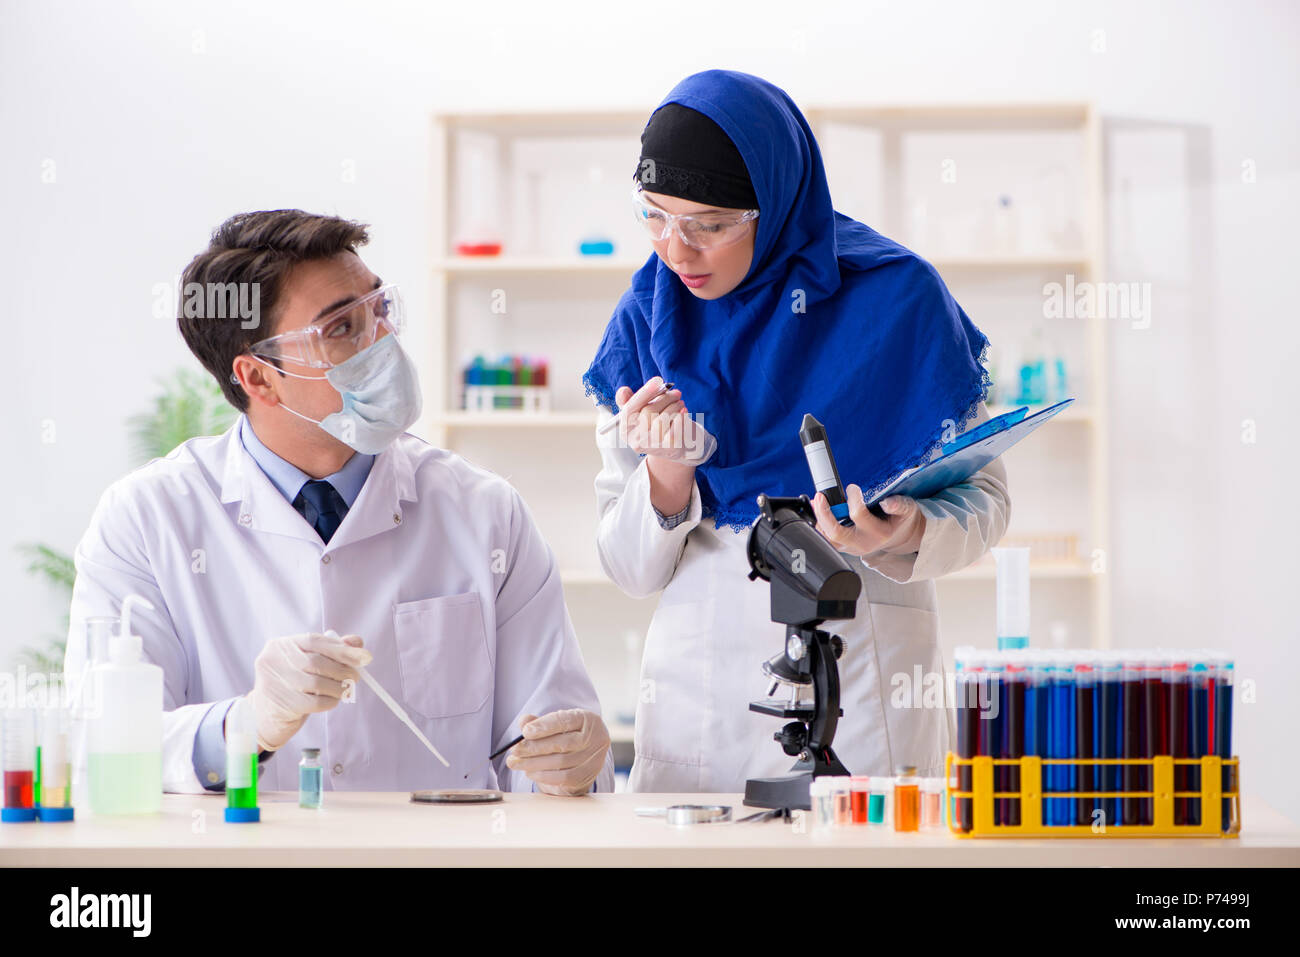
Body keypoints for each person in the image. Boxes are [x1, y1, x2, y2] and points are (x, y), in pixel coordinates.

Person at [67, 209, 612, 796]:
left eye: (378, 309)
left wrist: (573, 769)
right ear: (258, 379)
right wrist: (247, 724)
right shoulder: (147, 519)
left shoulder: (484, 511)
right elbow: (107, 747)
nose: (382, 340)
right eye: (342, 328)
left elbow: (547, 746)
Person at [584, 71, 1010, 792]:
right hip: (700, 700)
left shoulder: (898, 298)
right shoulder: (647, 317)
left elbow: (988, 501)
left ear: (777, 199)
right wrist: (666, 476)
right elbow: (629, 571)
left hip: (866, 687)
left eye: (709, 225)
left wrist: (904, 534)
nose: (675, 251)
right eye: (653, 215)